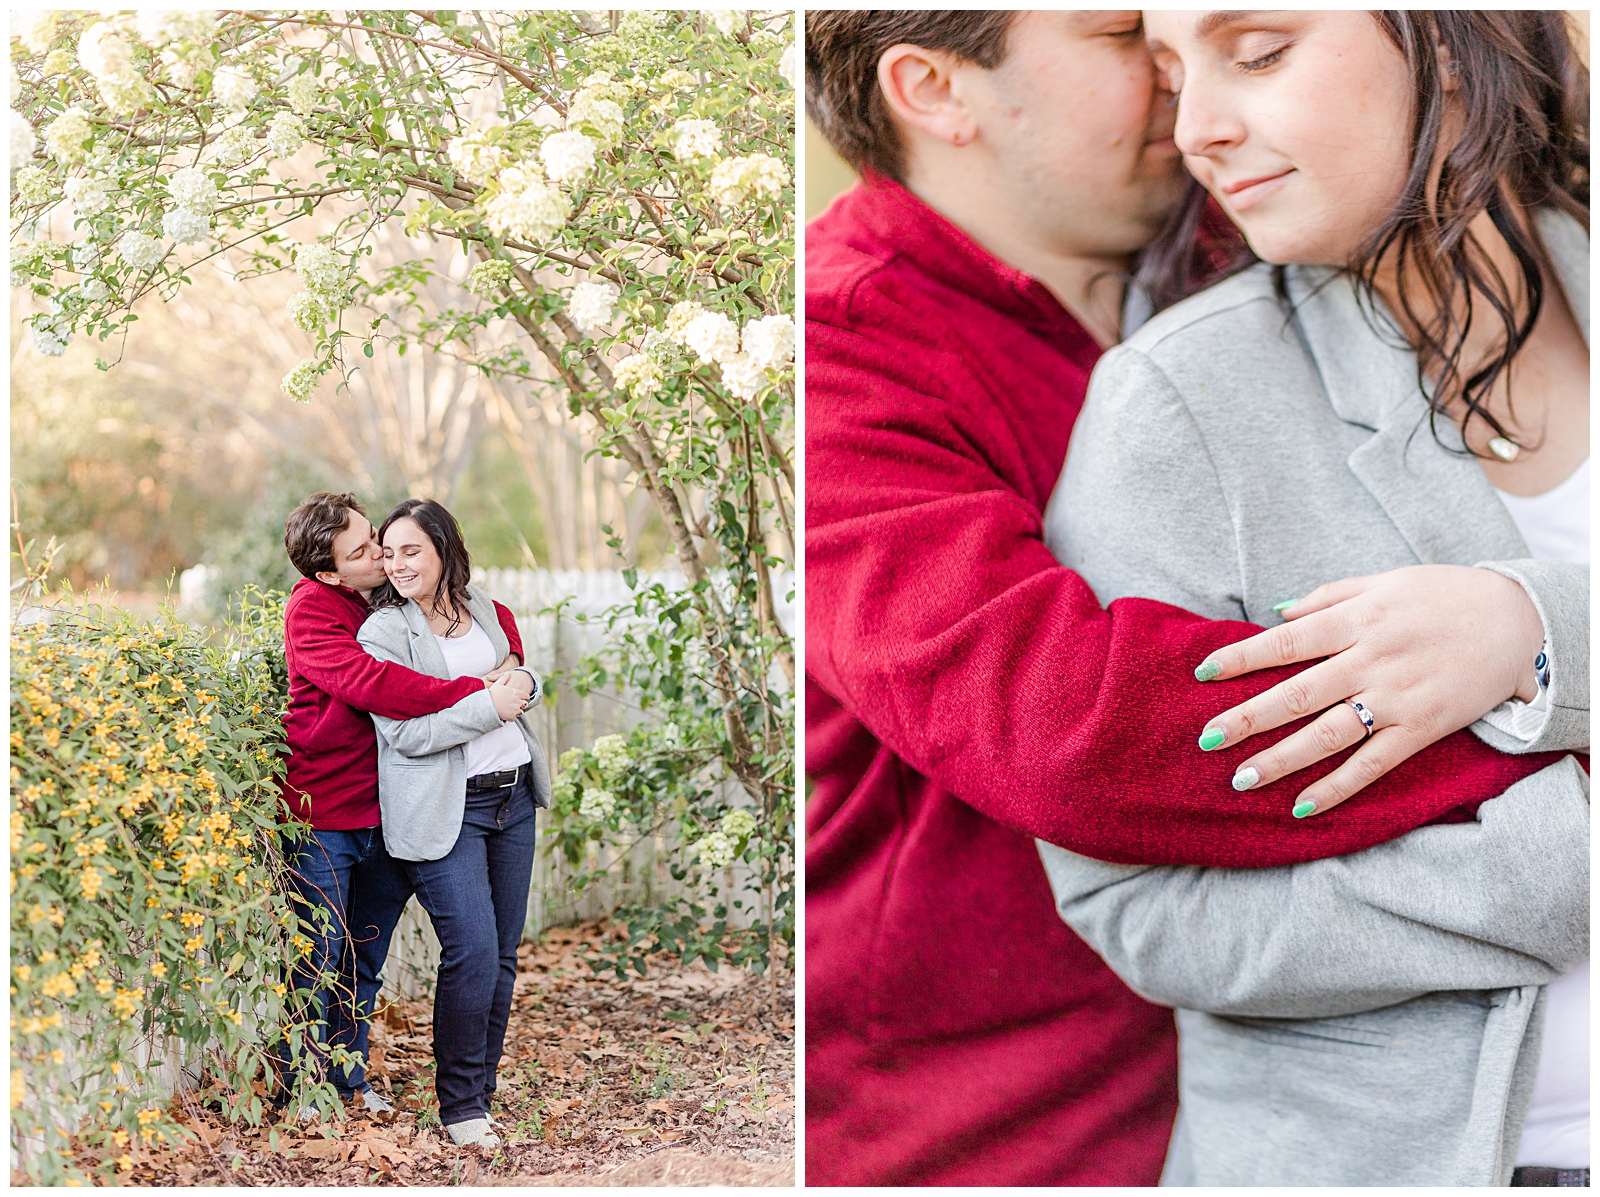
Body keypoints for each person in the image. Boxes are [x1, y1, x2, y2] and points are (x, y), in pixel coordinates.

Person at [804, 11, 1576, 1186]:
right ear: (935, 89)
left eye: (1234, 54)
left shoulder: (1249, 246)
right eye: (1132, 43)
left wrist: (1542, 641)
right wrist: (1538, 736)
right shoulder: (839, 346)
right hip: (983, 1131)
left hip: (1225, 1103)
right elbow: (1070, 726)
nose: (1189, 110)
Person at [1038, 10, 1588, 1184]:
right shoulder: (1178, 406)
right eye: (1172, 75)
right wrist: (1557, 874)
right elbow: (1141, 907)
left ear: (1445, 39)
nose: (1197, 129)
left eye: (1259, 51)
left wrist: (1536, 633)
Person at [277, 492, 534, 1118]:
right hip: (329, 808)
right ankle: (304, 1088)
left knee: (363, 950)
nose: (381, 556)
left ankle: (348, 1075)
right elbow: (377, 687)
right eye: (367, 550)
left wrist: (517, 672)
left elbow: (500, 642)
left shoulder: (396, 597)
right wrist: (482, 693)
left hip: (391, 803)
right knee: (320, 953)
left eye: (381, 540)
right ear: (330, 571)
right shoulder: (317, 610)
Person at [353, 498, 553, 1150]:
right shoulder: (384, 633)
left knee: (499, 957)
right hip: (448, 809)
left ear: (443, 549)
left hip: (513, 798)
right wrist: (487, 704)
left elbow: (522, 678)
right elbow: (405, 734)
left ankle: (481, 1094)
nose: (396, 562)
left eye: (411, 550)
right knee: (469, 951)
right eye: (389, 552)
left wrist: (520, 682)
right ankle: (461, 1106)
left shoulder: (489, 610)